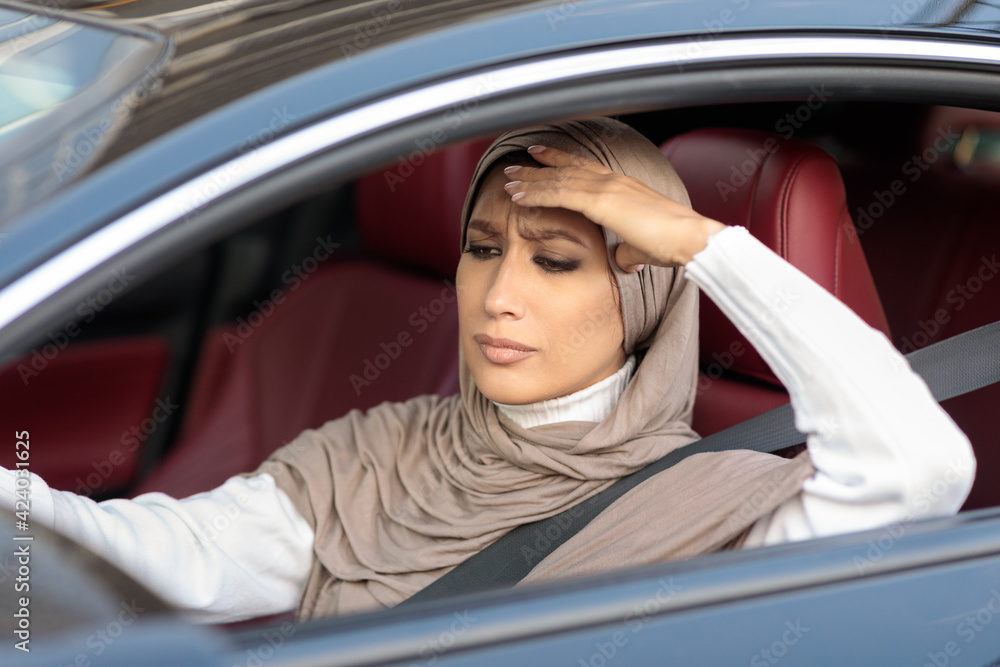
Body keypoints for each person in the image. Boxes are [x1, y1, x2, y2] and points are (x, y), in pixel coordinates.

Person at [0, 118, 975, 623]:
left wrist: (701, 243)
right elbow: (170, 556)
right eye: (480, 249)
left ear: (643, 289)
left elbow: (920, 466)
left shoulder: (729, 509)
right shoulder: (385, 448)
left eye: (555, 260)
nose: (498, 295)